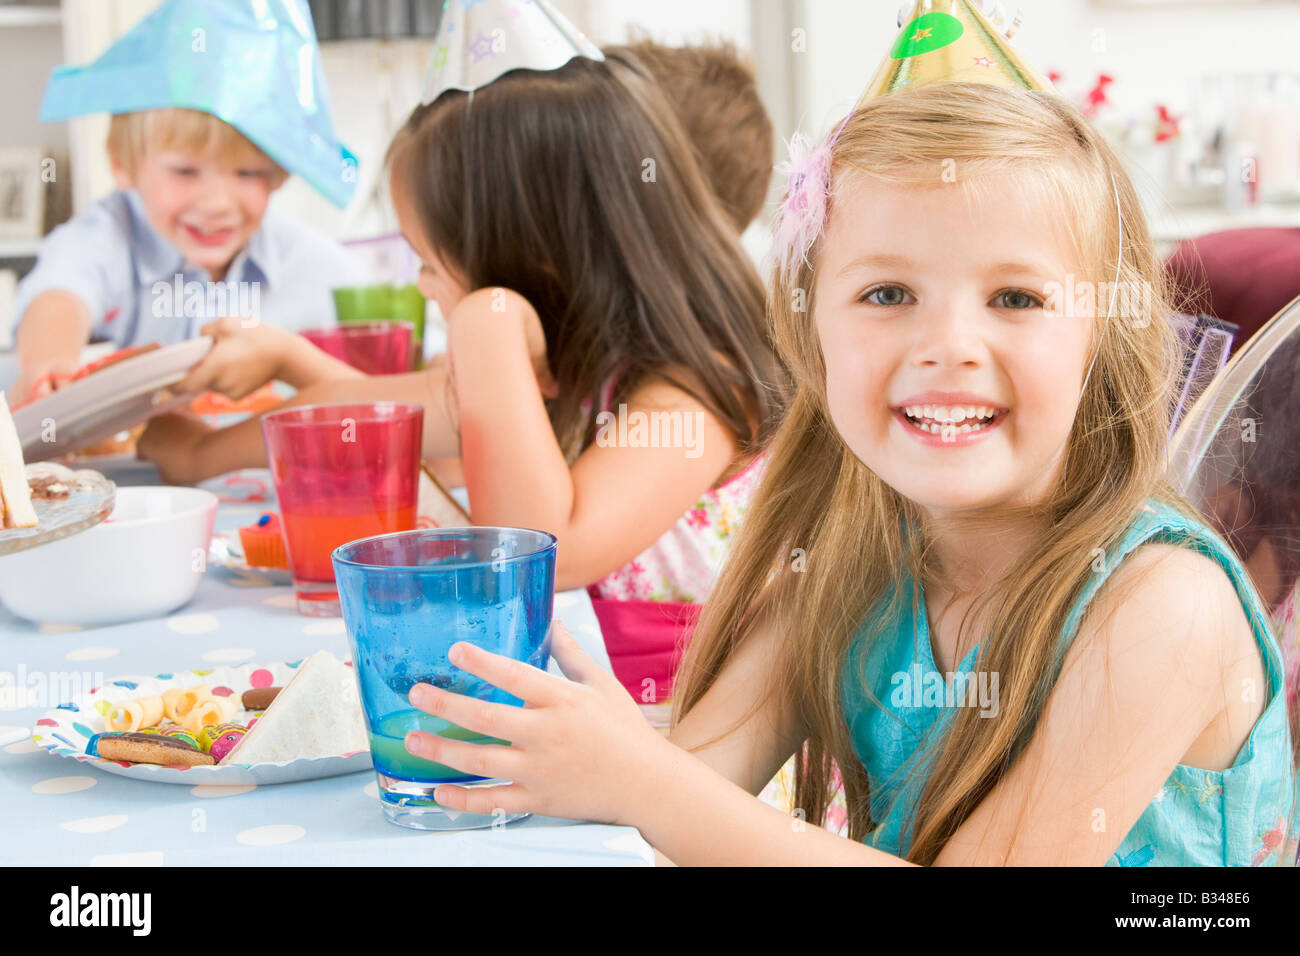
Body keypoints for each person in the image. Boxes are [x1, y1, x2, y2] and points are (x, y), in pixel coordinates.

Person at [399, 80, 1298, 866]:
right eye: (887, 294)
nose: (948, 346)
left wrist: (636, 778)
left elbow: (660, 793)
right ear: (809, 333)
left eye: (1016, 298)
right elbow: (688, 782)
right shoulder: (853, 569)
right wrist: (543, 745)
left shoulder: (1160, 606)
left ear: (1100, 339)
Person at [136, 50, 791, 711]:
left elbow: (538, 557)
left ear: (534, 255)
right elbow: (364, 417)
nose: (422, 285)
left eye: (431, 260)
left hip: (677, 757)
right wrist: (195, 453)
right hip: (554, 729)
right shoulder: (565, 364)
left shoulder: (696, 396)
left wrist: (487, 324)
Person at [10, 0, 364, 406]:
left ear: (279, 173)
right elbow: (58, 296)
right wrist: (51, 363)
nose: (216, 203)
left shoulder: (310, 261)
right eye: (184, 172)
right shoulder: (105, 238)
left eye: (247, 174)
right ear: (122, 162)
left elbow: (408, 353)